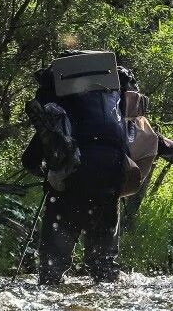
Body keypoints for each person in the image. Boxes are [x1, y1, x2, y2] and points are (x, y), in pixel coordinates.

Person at [22, 54, 129, 285]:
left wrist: (40, 170)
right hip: (111, 174)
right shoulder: (111, 100)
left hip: (72, 178)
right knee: (104, 266)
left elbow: (41, 145)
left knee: (53, 264)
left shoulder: (59, 101)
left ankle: (50, 299)